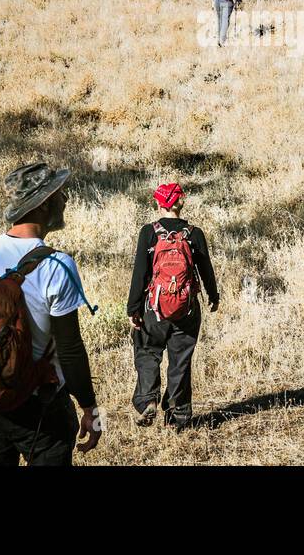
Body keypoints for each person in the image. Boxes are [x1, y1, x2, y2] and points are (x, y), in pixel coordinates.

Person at [0, 162, 101, 466]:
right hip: (41, 407)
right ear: (44, 204)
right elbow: (70, 350)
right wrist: (90, 409)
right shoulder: (57, 266)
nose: (66, 201)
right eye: (61, 195)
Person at [128, 183, 219, 430]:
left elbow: (140, 273)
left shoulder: (149, 232)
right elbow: (206, 269)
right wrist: (213, 295)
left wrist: (133, 309)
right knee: (180, 361)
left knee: (147, 352)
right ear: (182, 202)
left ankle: (148, 399)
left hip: (154, 309)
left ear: (158, 204)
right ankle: (178, 416)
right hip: (186, 309)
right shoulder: (194, 233)